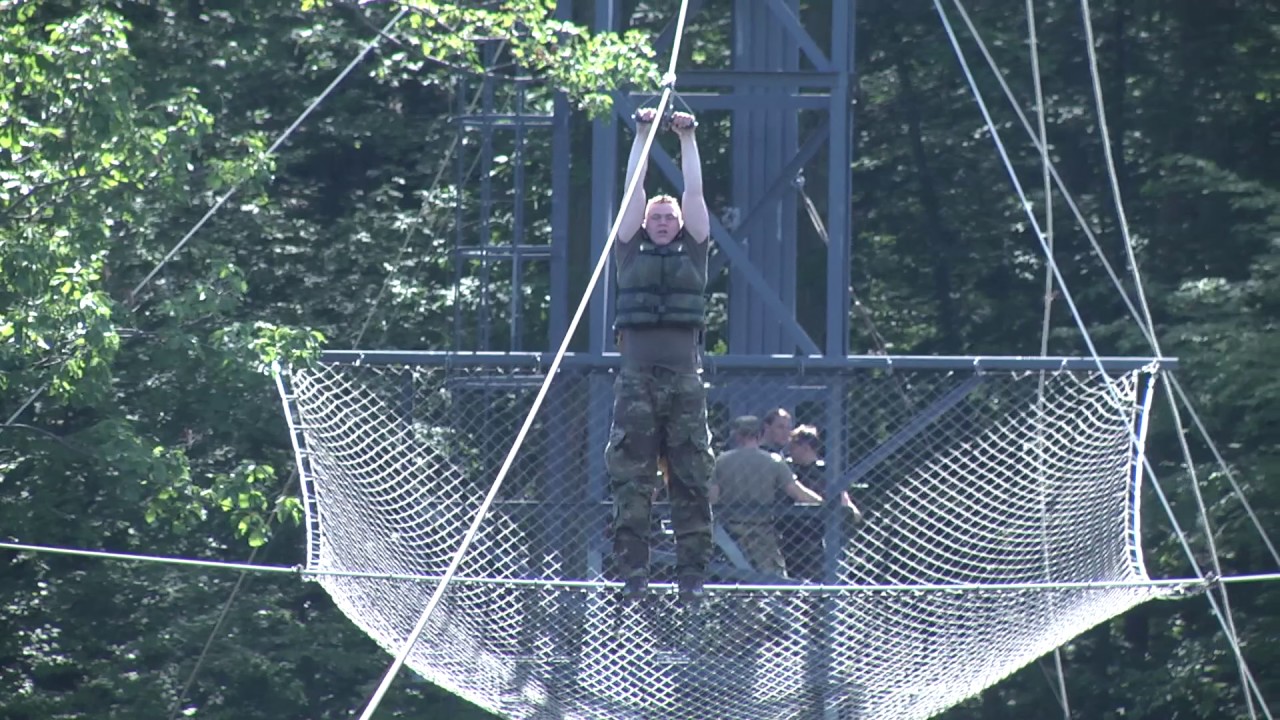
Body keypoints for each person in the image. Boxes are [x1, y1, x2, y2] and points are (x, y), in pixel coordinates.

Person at [604, 107, 714, 605]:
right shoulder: (629, 248)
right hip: (637, 380)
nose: (666, 223)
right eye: (658, 218)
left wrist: (686, 137)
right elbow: (634, 191)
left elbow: (694, 194)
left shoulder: (694, 249)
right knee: (633, 476)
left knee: (691, 474)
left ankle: (692, 573)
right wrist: (645, 135)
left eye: (671, 219)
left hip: (684, 379)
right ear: (646, 224)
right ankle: (633, 571)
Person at [710, 416, 824, 579]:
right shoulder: (774, 461)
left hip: (729, 531)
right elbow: (797, 492)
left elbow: (712, 498)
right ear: (761, 434)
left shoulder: (720, 461)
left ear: (737, 435)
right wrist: (824, 505)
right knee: (772, 579)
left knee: (730, 576)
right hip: (761, 532)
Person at [781, 425, 863, 582]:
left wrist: (849, 512)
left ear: (805, 447)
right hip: (791, 537)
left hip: (817, 538)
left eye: (792, 446)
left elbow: (845, 503)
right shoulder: (789, 470)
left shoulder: (825, 472)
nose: (789, 450)